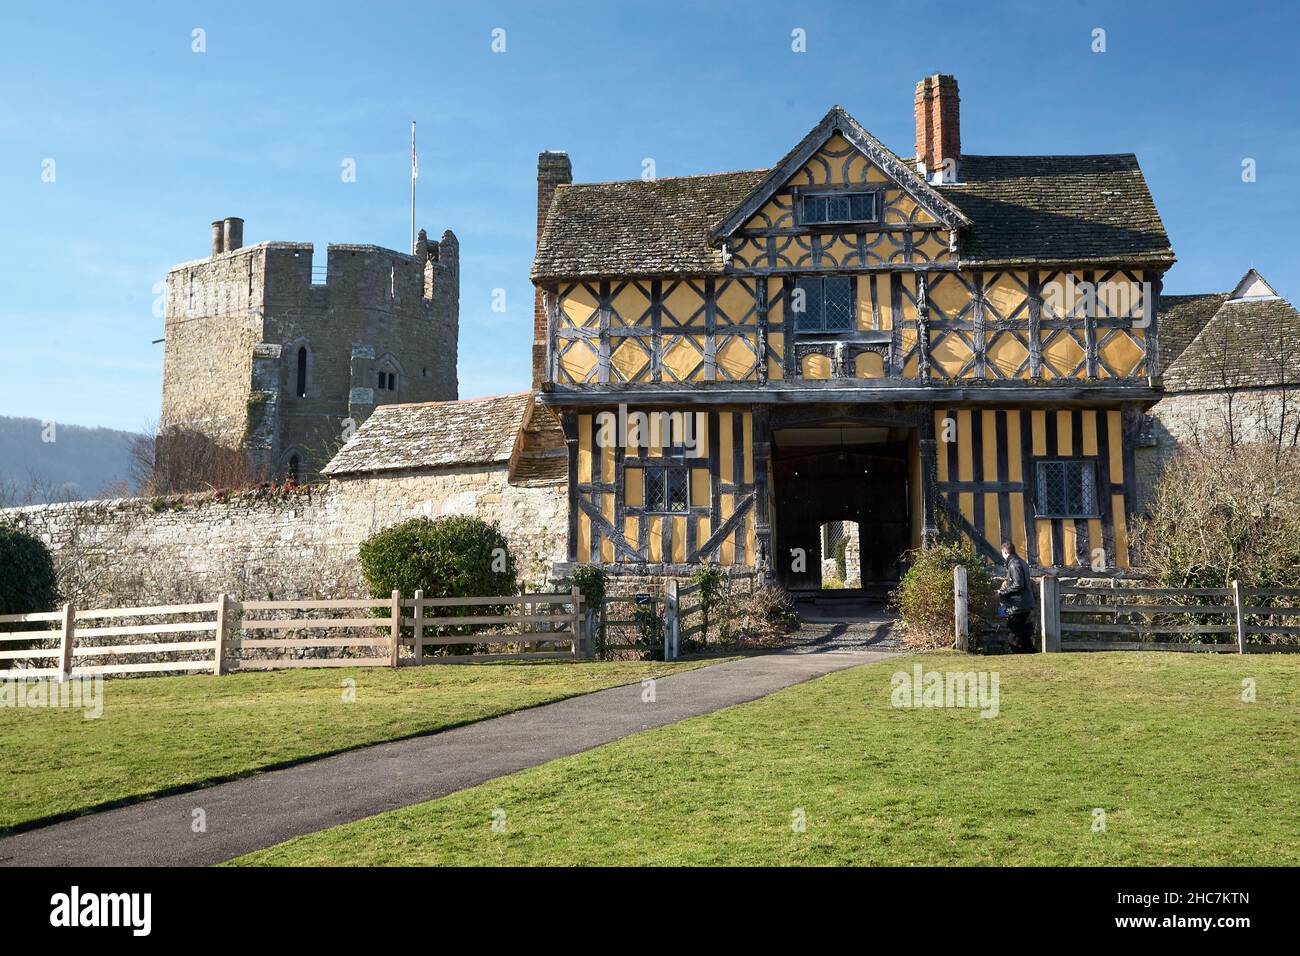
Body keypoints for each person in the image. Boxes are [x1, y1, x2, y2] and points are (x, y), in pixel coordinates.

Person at [997, 540, 1037, 653]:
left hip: (1018, 605)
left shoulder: (1014, 564)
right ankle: (1031, 653)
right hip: (1024, 603)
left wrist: (1002, 592)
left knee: (1013, 633)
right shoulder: (1022, 562)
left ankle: (1018, 654)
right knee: (1023, 634)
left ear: (1005, 552)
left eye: (1002, 553)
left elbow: (1018, 584)